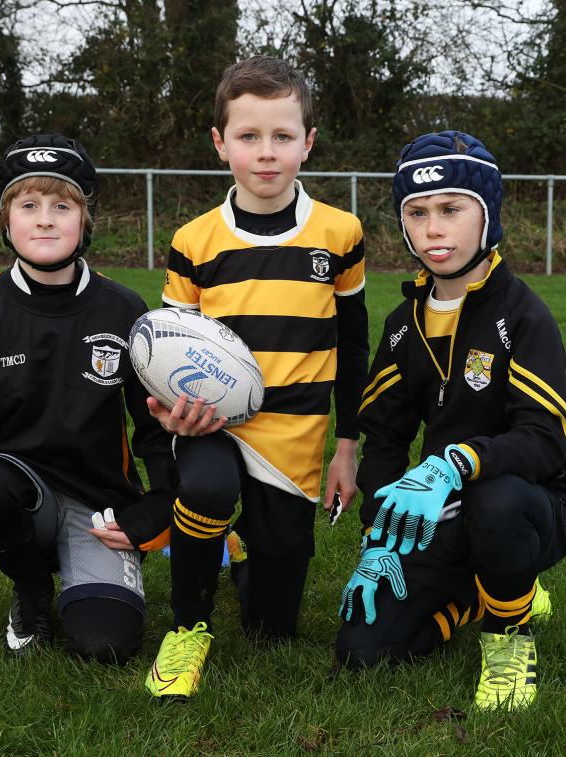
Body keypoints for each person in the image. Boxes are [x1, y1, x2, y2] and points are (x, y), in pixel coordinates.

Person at [143, 55, 369, 699]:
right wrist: (170, 411)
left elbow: (353, 347)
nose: (266, 153)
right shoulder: (194, 241)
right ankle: (188, 628)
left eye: (282, 136)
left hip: (294, 439)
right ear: (220, 144)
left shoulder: (340, 233)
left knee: (273, 628)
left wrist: (346, 448)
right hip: (213, 425)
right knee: (208, 488)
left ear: (308, 143)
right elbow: (169, 351)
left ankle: (241, 552)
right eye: (248, 136)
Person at [0, 133, 177, 664]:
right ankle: (31, 586)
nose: (45, 219)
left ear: (86, 220)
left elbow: (153, 425)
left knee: (106, 645)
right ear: (6, 222)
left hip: (97, 504)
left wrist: (158, 506)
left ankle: (87, 575)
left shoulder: (123, 309)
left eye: (62, 205)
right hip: (14, 492)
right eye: (28, 205)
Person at [335, 130, 566, 711]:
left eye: (451, 209)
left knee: (495, 504)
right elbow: (386, 440)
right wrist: (379, 536)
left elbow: (547, 439)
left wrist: (456, 461)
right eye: (416, 213)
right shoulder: (403, 324)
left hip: (528, 505)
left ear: (487, 215)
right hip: (438, 510)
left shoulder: (524, 315)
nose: (433, 228)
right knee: (362, 651)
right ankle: (476, 596)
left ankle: (509, 632)